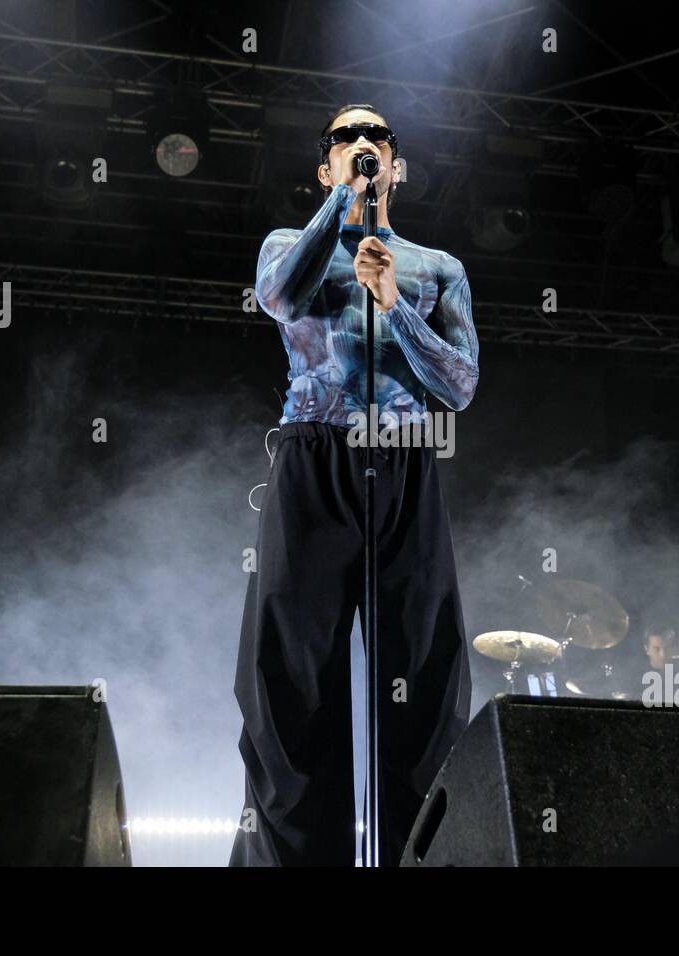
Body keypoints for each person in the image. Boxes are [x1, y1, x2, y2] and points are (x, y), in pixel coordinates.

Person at [228, 103, 478, 866]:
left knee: (424, 676)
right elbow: (279, 299)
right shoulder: (288, 244)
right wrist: (343, 205)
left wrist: (393, 302)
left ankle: (421, 856)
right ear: (325, 164)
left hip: (404, 453)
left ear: (397, 165)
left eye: (377, 139)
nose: (363, 145)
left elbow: (461, 385)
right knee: (291, 678)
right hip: (315, 453)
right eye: (345, 139)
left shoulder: (439, 267)